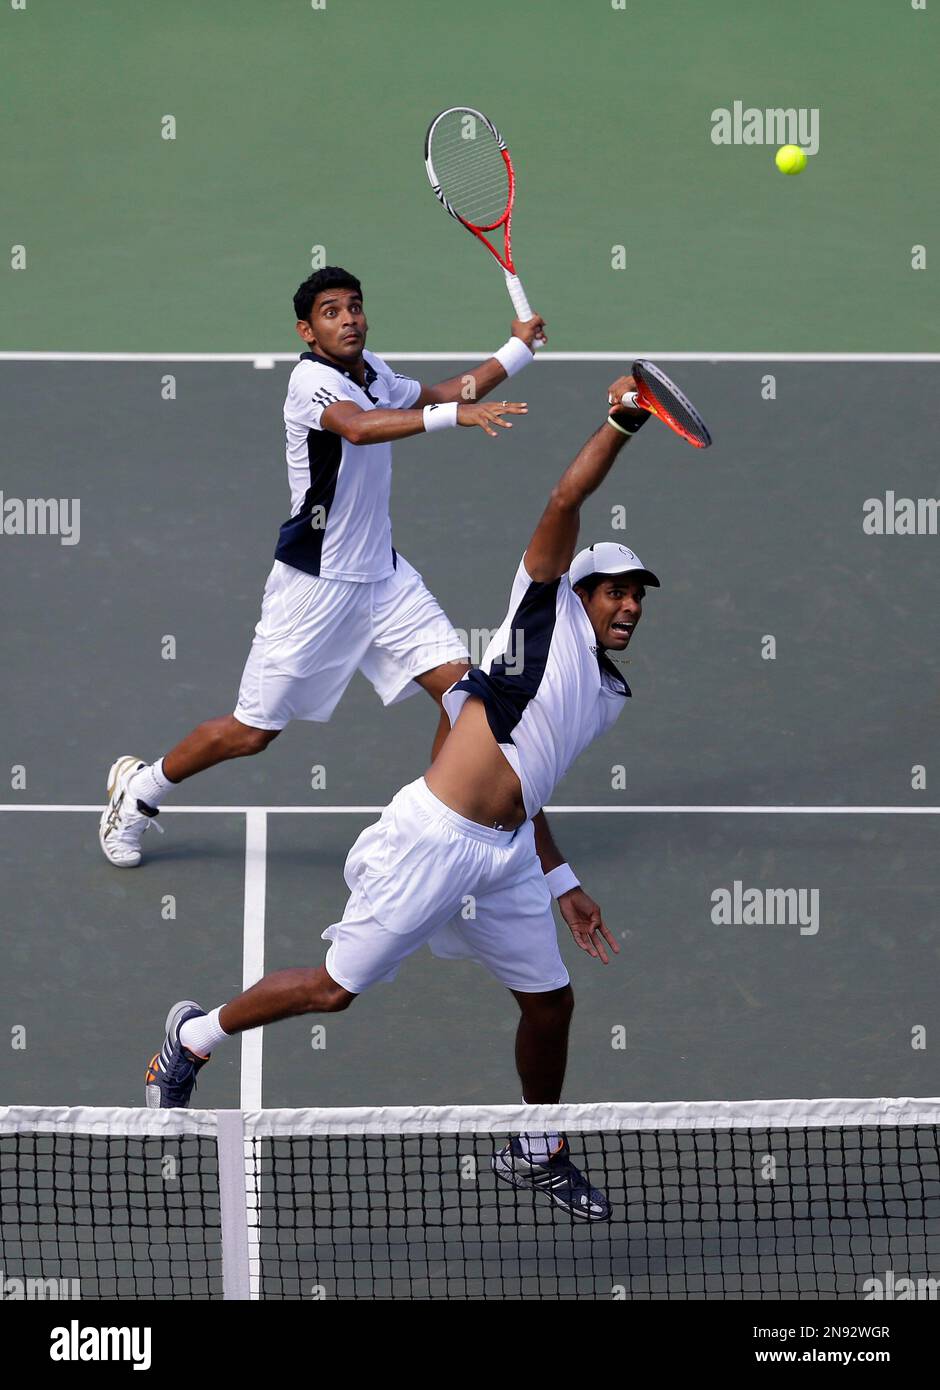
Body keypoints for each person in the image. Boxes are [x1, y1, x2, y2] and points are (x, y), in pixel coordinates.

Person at [145, 373, 658, 1221]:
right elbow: (568, 493)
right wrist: (622, 422)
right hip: (432, 842)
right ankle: (192, 1037)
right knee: (333, 992)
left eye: (639, 595)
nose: (630, 605)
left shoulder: (605, 694)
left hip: (504, 857)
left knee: (552, 1002)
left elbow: (524, 780)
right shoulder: (544, 612)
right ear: (577, 591)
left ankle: (537, 1147)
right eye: (615, 590)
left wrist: (561, 881)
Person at [99, 265, 544, 867]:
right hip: (314, 587)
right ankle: (141, 790)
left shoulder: (375, 372)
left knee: (466, 697)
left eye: (355, 306)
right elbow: (359, 430)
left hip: (383, 580)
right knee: (252, 732)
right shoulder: (309, 383)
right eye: (332, 312)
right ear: (307, 332)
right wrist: (452, 418)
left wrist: (515, 349)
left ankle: (432, 831)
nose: (349, 318)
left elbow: (443, 394)